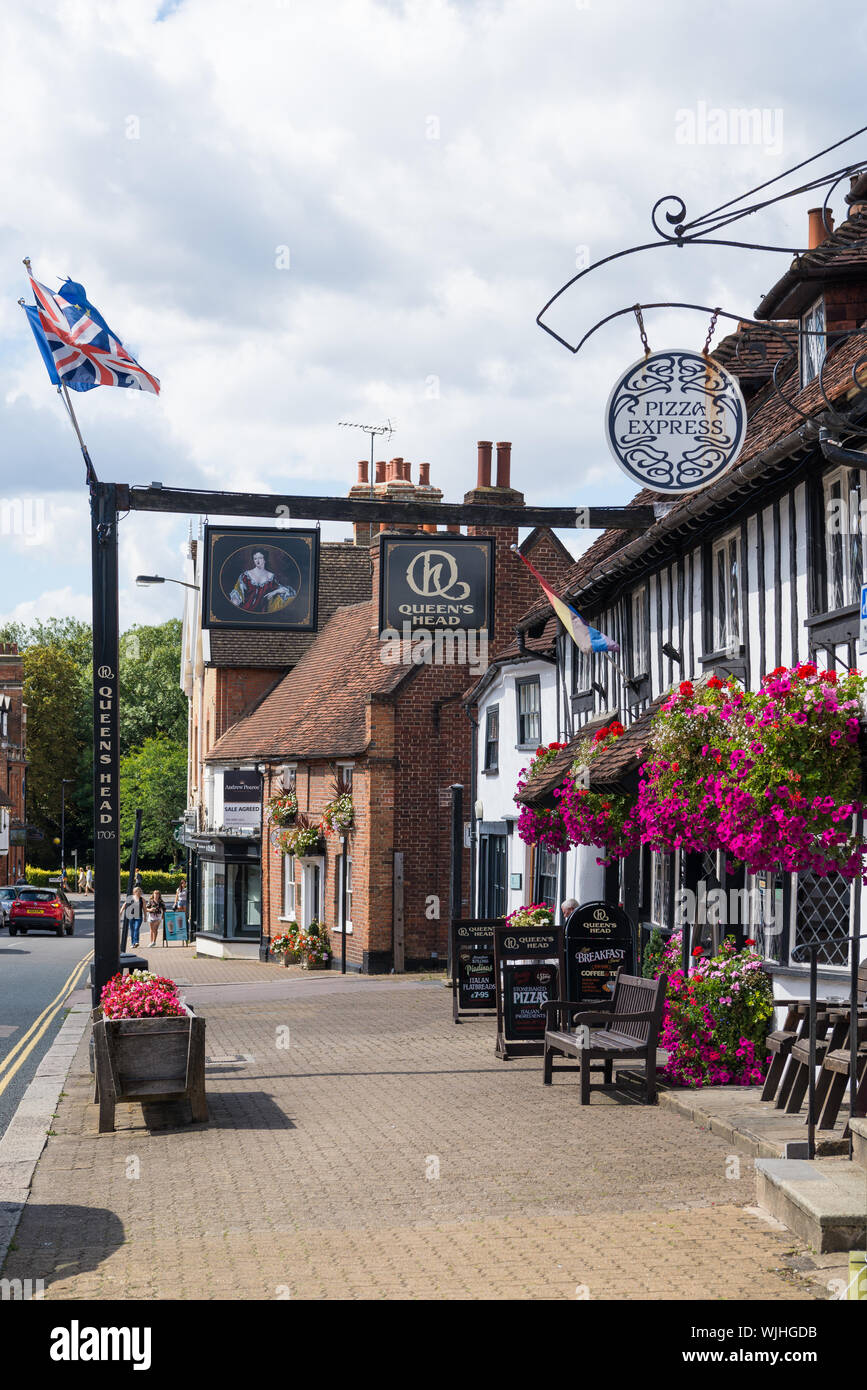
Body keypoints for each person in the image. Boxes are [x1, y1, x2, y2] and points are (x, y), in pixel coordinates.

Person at [229, 549, 296, 614]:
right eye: (255, 558)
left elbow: (284, 590)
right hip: (246, 609)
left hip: (263, 610)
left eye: (260, 558)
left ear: (265, 559)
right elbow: (238, 592)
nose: (257, 561)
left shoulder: (271, 577)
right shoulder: (245, 575)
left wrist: (274, 592)